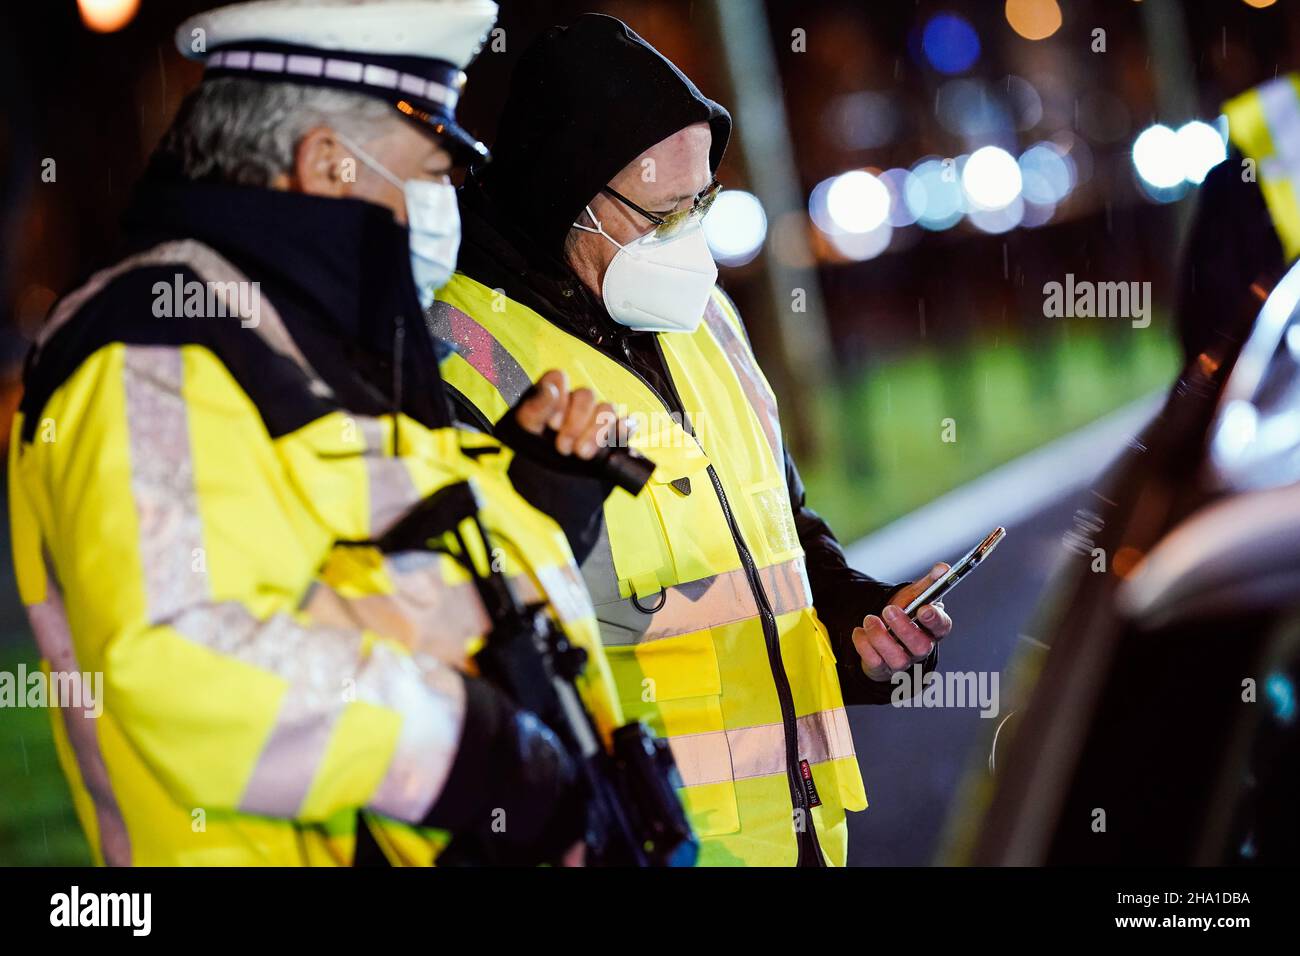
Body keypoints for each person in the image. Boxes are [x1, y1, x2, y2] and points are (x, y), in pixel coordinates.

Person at [8, 0, 626, 867]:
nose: (447, 199)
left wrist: (533, 500)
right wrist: (475, 751)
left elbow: (379, 565)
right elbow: (177, 651)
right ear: (331, 162)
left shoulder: (300, 322)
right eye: (436, 167)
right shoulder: (158, 341)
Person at [431, 14, 956, 867]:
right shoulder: (460, 355)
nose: (688, 238)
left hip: (802, 834)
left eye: (701, 201)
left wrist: (864, 621)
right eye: (665, 211)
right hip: (643, 843)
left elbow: (783, 534)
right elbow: (460, 630)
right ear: (566, 191)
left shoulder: (706, 316)